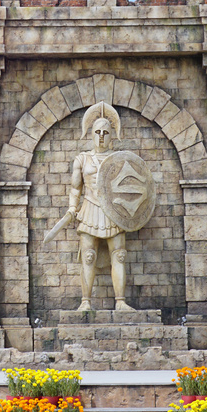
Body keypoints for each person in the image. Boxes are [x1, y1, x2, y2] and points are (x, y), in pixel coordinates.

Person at [68, 102, 134, 313]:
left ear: (112, 134)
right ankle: (85, 301)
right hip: (89, 209)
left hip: (113, 211)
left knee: (119, 255)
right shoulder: (82, 159)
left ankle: (120, 301)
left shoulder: (119, 159)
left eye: (106, 131)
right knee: (88, 256)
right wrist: (72, 207)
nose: (102, 136)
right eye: (97, 132)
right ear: (91, 134)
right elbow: (75, 188)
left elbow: (131, 186)